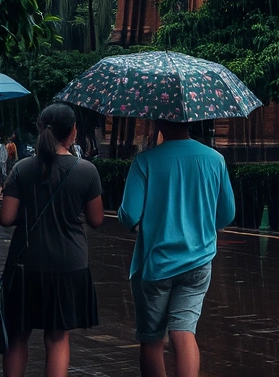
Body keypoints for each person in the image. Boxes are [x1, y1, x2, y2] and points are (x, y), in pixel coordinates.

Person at [119, 120, 235, 377]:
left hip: (157, 263)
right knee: (184, 331)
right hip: (199, 261)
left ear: (160, 122)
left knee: (152, 339)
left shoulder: (145, 161)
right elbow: (227, 214)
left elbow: (129, 214)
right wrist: (199, 227)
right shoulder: (215, 159)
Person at [0, 103, 104, 377]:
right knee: (57, 339)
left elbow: (6, 218)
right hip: (69, 265)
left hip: (26, 264)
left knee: (17, 335)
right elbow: (96, 220)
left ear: (40, 129)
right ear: (73, 132)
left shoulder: (22, 169)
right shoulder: (86, 170)